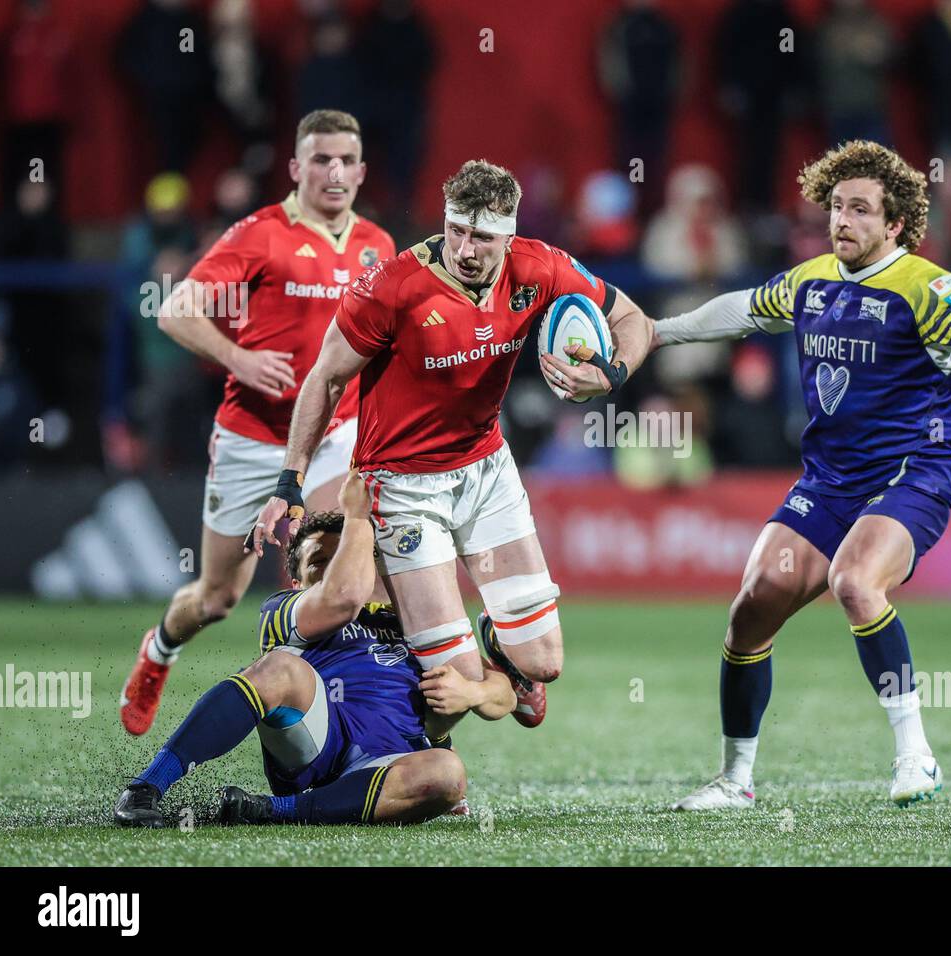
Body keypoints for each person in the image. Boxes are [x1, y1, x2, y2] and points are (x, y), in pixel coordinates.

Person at [605, 140, 951, 809]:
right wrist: (659, 332)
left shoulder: (927, 288)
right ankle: (735, 781)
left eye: (861, 210)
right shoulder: (813, 280)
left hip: (911, 474)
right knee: (750, 612)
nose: (843, 220)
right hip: (828, 482)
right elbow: (742, 308)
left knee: (855, 581)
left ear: (894, 225)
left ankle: (916, 758)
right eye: (837, 207)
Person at [249, 159, 655, 744]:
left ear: (509, 236)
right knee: (455, 684)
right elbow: (325, 380)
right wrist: (290, 479)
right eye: (456, 231)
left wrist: (613, 373)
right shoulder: (392, 287)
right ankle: (418, 759)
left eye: (483, 237)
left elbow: (630, 317)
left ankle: (499, 643)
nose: (465, 248)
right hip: (403, 487)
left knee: (543, 663)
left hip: (487, 472)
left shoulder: (539, 267)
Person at [120, 110, 395, 737]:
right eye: (320, 159)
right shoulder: (260, 234)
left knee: (337, 568)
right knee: (216, 598)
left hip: (335, 436)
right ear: (296, 168)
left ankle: (340, 719)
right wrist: (238, 356)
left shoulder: (378, 246)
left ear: (361, 171)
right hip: (253, 439)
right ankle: (159, 650)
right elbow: (175, 310)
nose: (334, 171)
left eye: (345, 160)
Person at [114, 471, 514, 828]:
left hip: (387, 763)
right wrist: (358, 516)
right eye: (318, 561)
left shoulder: (412, 622)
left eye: (343, 558)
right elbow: (340, 597)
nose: (331, 569)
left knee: (448, 773)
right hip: (315, 745)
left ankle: (274, 810)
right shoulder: (285, 609)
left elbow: (502, 695)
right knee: (280, 668)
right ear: (295, 581)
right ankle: (146, 787)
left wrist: (472, 692)